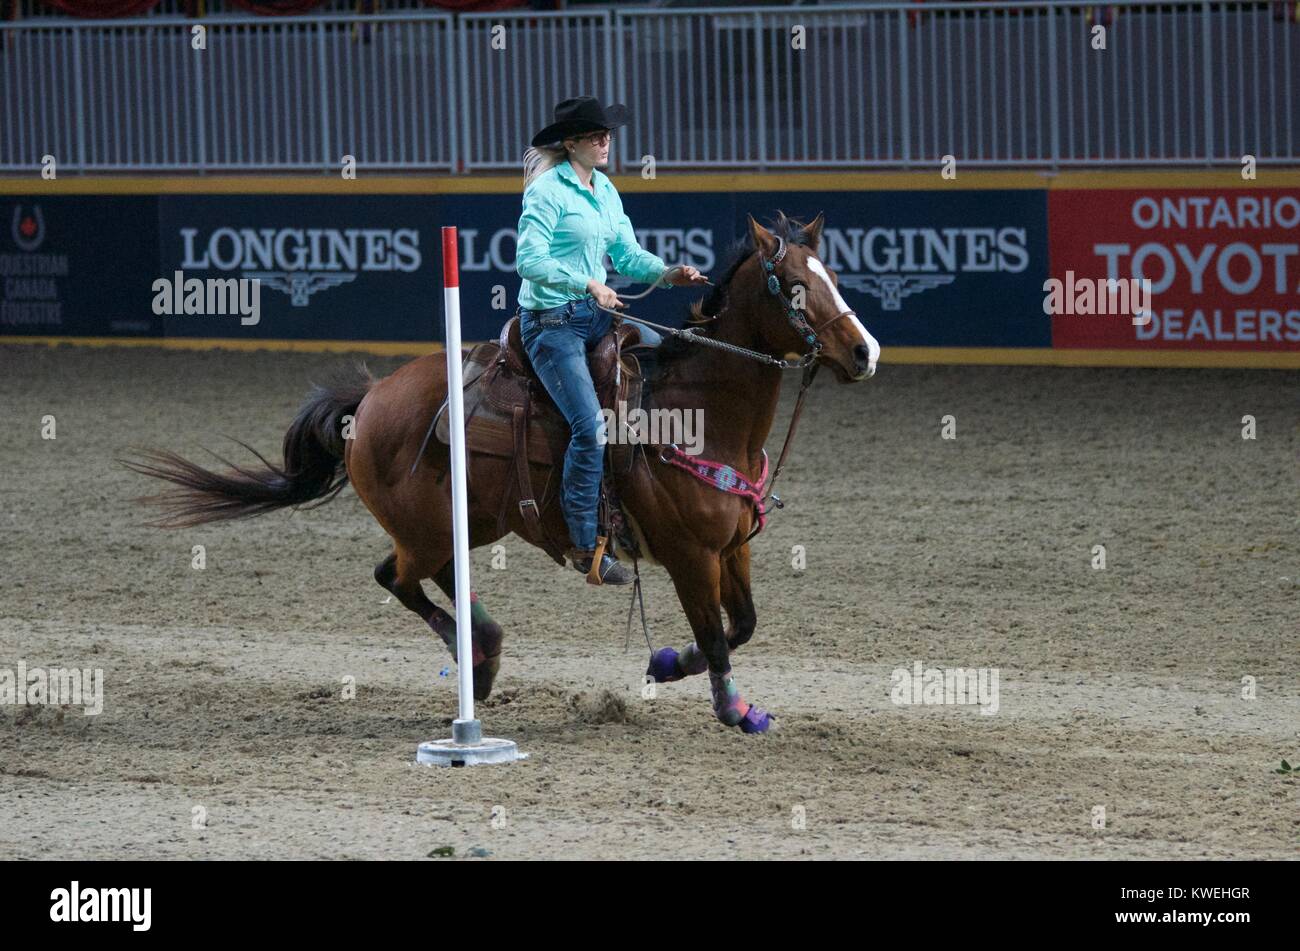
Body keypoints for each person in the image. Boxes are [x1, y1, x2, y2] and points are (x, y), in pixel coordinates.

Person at [515, 95, 706, 585]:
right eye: (596, 135)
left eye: (607, 135)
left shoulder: (603, 188)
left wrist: (666, 274)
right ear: (571, 142)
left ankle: (646, 498)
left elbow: (626, 254)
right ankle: (585, 545)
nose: (605, 142)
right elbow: (529, 261)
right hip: (552, 322)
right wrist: (587, 283)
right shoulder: (546, 192)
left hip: (595, 315)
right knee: (588, 426)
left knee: (665, 364)